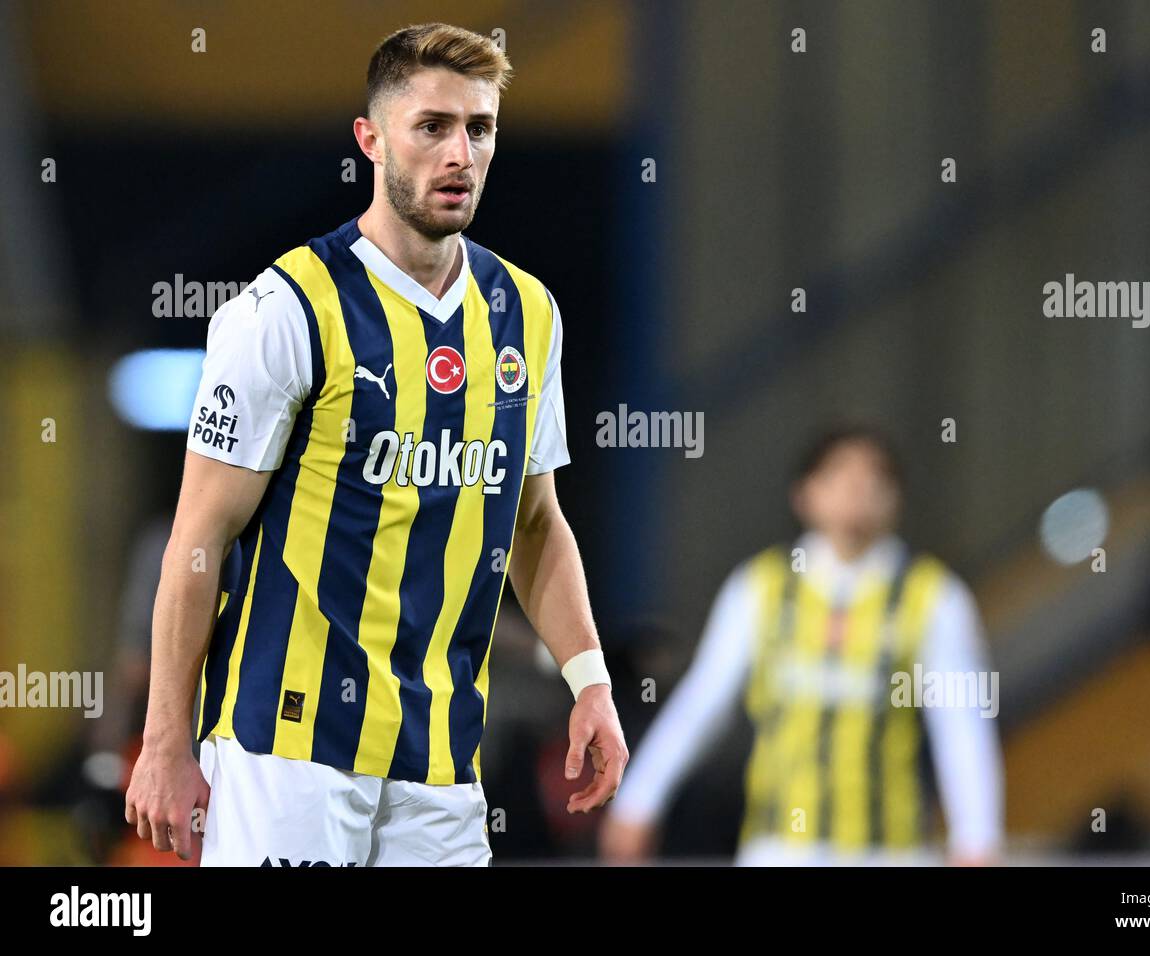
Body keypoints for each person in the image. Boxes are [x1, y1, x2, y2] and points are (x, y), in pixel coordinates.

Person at [125, 22, 628, 866]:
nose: (459, 153)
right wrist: (166, 742)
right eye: (432, 126)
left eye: (480, 128)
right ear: (371, 140)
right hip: (285, 751)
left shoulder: (528, 317)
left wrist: (592, 683)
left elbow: (536, 524)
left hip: (439, 760)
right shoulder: (285, 309)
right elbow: (197, 540)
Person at [600, 424, 1003, 865]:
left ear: (896, 498)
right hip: (781, 849)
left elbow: (962, 726)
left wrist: (977, 838)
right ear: (805, 494)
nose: (856, 491)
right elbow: (703, 703)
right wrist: (639, 801)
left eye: (873, 480)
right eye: (839, 477)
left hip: (891, 851)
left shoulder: (934, 598)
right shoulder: (760, 588)